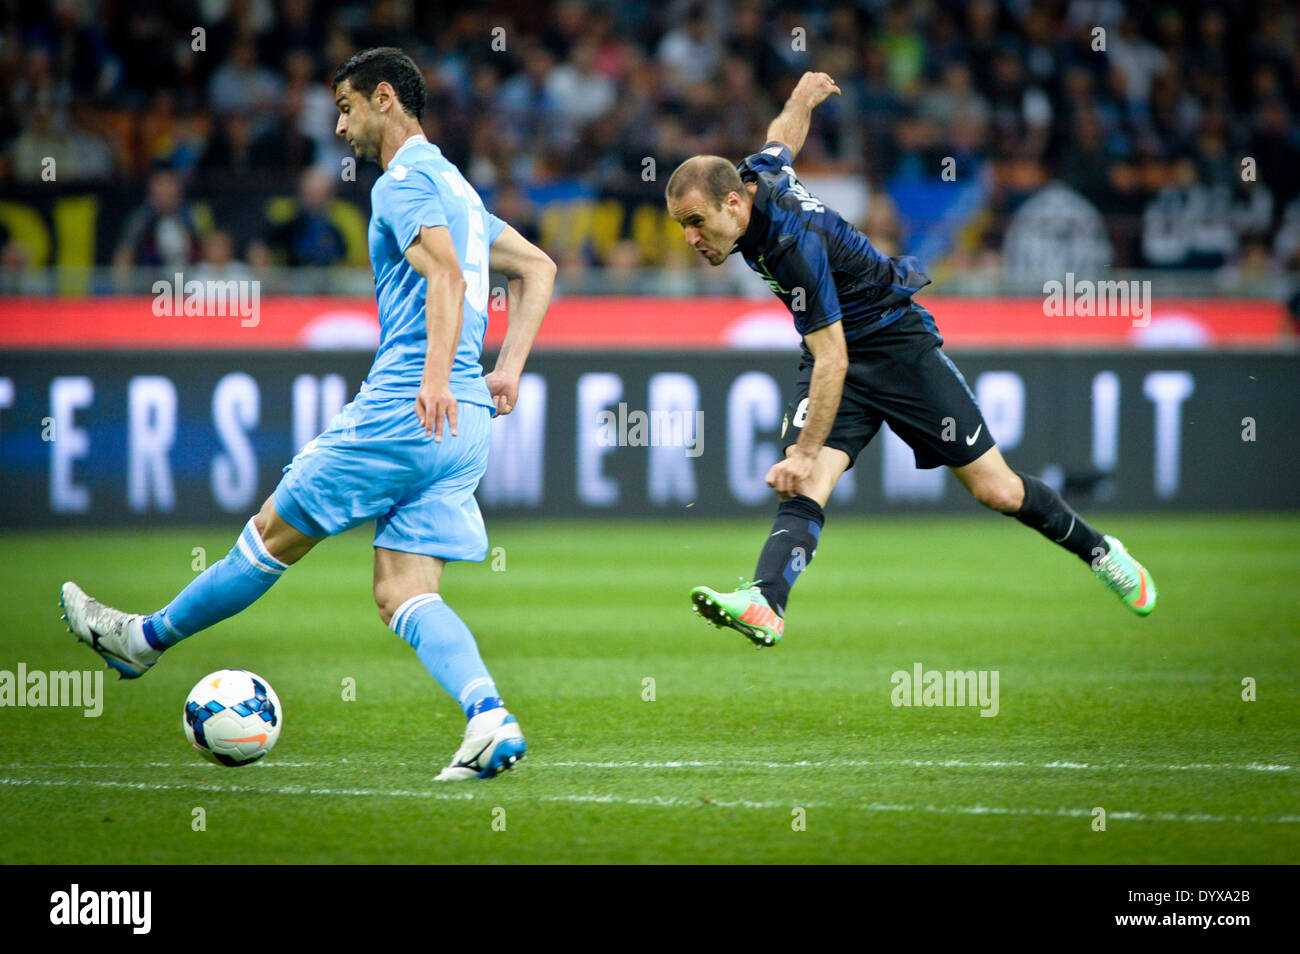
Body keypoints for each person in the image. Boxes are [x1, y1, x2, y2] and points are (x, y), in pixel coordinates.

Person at [61, 47, 557, 780]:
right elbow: (539, 268)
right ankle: (489, 718)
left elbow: (448, 276)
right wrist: (506, 367)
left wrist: (432, 378)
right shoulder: (457, 185)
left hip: (405, 411)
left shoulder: (403, 181)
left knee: (269, 534)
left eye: (347, 106)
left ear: (384, 98)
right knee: (404, 593)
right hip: (466, 427)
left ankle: (142, 641)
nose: (339, 123)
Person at [664, 71, 1156, 648]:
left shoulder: (789, 244)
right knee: (809, 481)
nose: (691, 238)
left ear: (731, 203)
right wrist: (800, 98)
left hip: (894, 345)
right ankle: (767, 600)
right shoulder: (757, 176)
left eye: (695, 223)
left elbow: (833, 358)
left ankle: (1101, 551)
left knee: (996, 490)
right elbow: (781, 140)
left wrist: (800, 450)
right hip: (840, 348)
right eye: (682, 227)